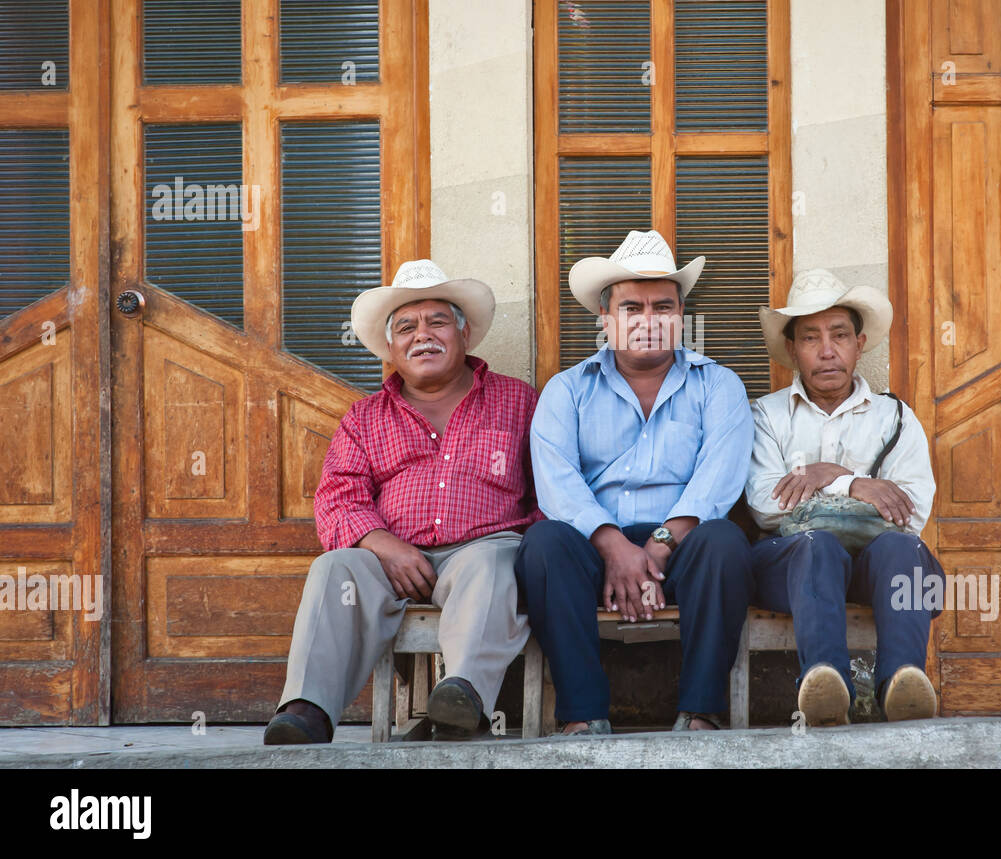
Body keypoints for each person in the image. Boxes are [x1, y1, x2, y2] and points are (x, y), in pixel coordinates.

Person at [264, 260, 541, 744]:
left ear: (465, 333)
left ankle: (462, 699)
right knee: (335, 569)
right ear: (391, 348)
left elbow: (552, 488)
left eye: (438, 321)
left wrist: (531, 537)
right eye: (407, 327)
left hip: (480, 550)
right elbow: (337, 497)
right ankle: (307, 708)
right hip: (389, 560)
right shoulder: (364, 417)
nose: (423, 335)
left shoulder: (519, 401)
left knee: (496, 561)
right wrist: (383, 545)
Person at [516, 230, 754, 734]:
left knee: (726, 542)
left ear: (681, 316)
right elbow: (556, 481)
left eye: (663, 306)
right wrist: (613, 548)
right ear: (606, 320)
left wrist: (660, 545)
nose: (649, 320)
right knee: (542, 545)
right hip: (594, 542)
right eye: (632, 308)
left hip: (683, 540)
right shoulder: (566, 390)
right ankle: (582, 715)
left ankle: (700, 712)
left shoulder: (719, 384)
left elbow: (719, 477)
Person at [745, 268, 944, 727]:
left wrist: (823, 477)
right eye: (811, 338)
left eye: (839, 335)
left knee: (903, 547)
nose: (827, 350)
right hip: (794, 567)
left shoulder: (894, 417)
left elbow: (908, 513)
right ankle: (825, 684)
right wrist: (855, 484)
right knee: (819, 545)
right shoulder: (767, 416)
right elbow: (765, 504)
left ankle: (902, 685)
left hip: (874, 569)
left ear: (859, 342)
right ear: (793, 349)